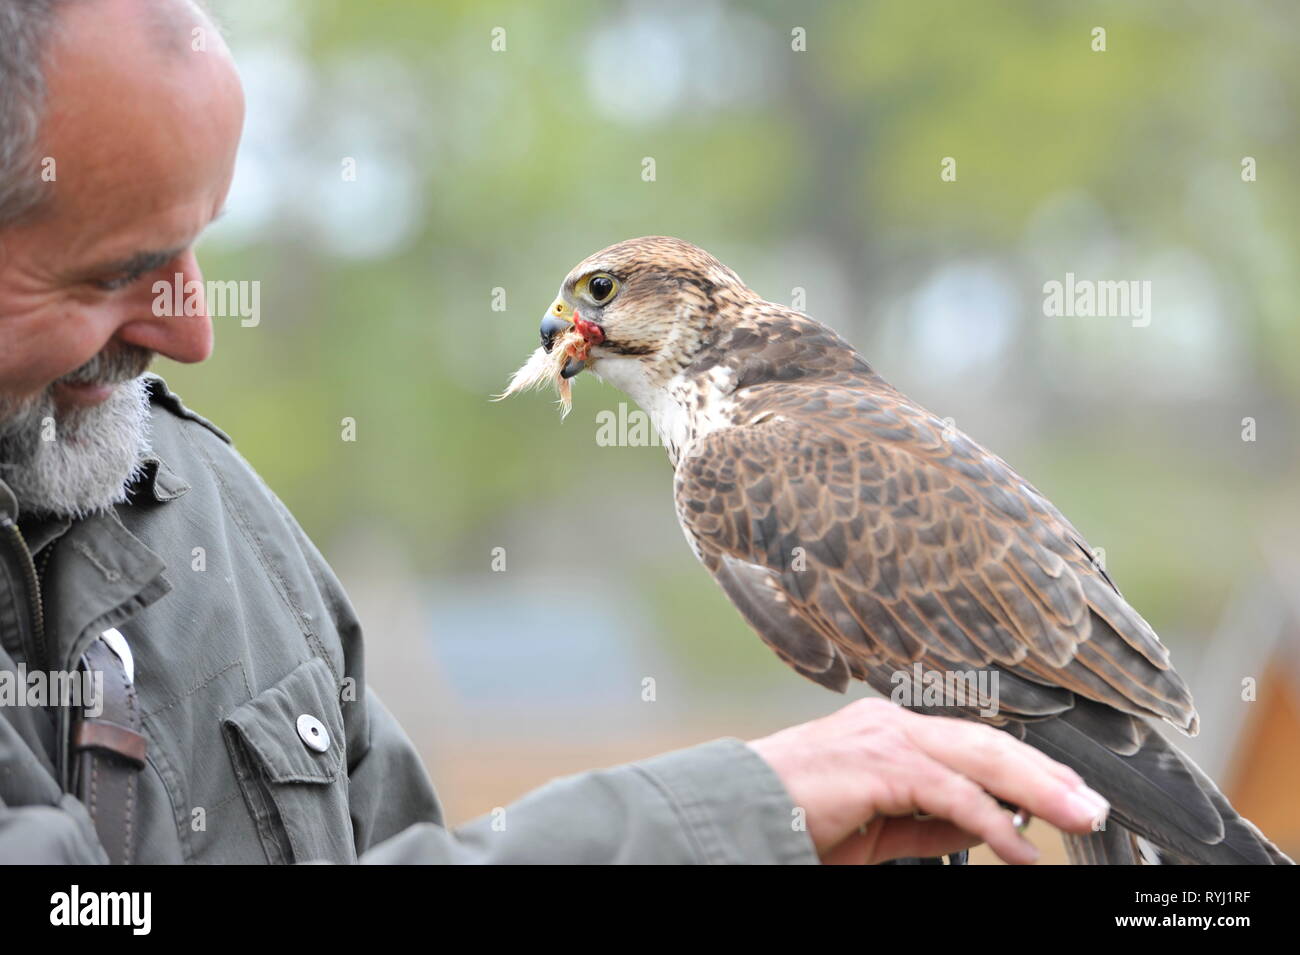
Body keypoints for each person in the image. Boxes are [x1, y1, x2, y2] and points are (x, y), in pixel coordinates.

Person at [0, 0, 1109, 864]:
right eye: (121, 271)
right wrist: (717, 822)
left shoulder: (222, 526)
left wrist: (776, 846)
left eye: (199, 248)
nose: (195, 336)